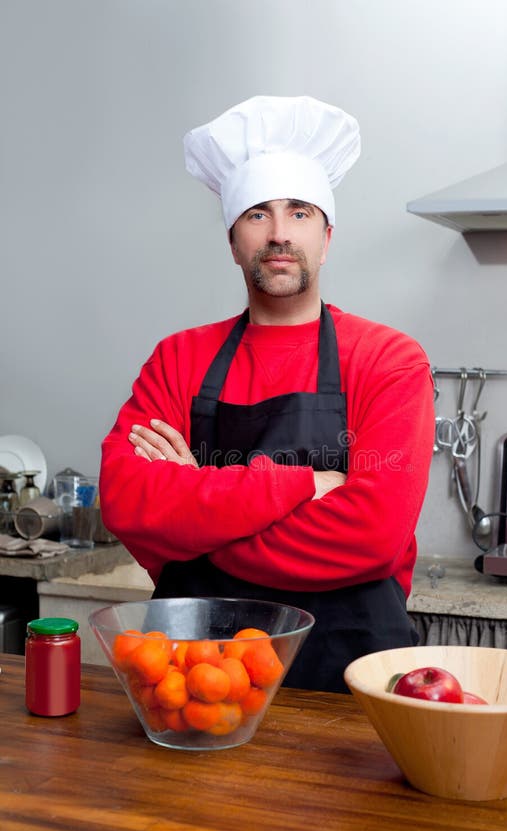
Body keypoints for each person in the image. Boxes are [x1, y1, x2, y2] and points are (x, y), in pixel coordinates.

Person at [100, 95, 434, 692]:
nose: (280, 234)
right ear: (232, 243)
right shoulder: (179, 358)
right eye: (257, 214)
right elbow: (127, 501)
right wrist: (300, 484)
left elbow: (373, 533)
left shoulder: (388, 359)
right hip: (196, 680)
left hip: (349, 678)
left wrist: (197, 524)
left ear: (326, 238)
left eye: (299, 212)